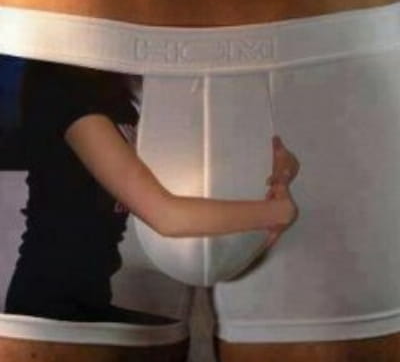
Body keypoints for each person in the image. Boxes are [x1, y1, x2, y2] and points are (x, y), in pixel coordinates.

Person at [4, 58, 299, 323]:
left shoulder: (114, 92)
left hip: (91, 301)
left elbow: (177, 179)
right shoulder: (62, 86)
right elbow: (166, 216)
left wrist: (277, 172)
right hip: (47, 308)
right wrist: (274, 213)